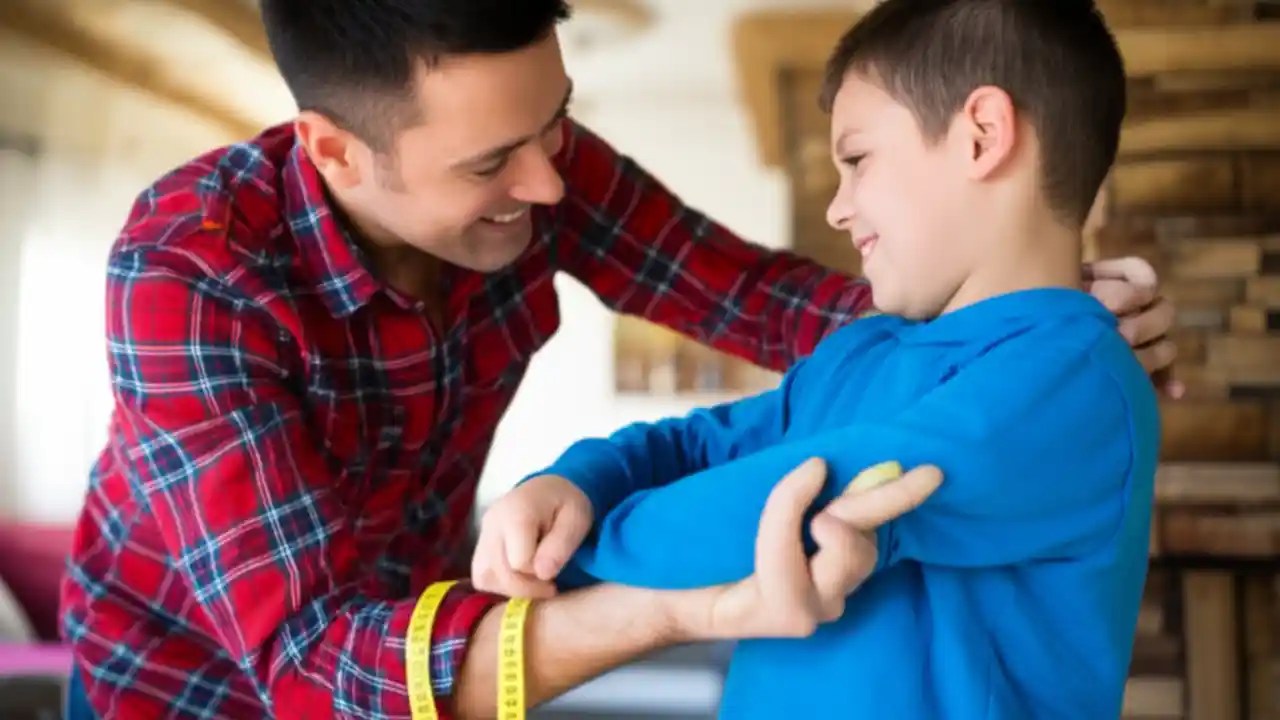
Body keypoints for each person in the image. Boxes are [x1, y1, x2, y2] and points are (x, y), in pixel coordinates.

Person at [59, 1, 1176, 719]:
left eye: (557, 125)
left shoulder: (541, 170)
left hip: (450, 619)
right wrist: (649, 587)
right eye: (495, 159)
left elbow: (761, 303)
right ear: (335, 149)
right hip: (199, 681)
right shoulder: (191, 271)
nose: (551, 187)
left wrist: (1011, 324)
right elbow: (312, 669)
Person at [475, 1, 1159, 718]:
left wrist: (570, 550)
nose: (837, 209)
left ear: (982, 136)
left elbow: (783, 497)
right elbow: (704, 443)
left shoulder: (1075, 380)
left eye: (858, 160)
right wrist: (576, 484)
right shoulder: (864, 350)